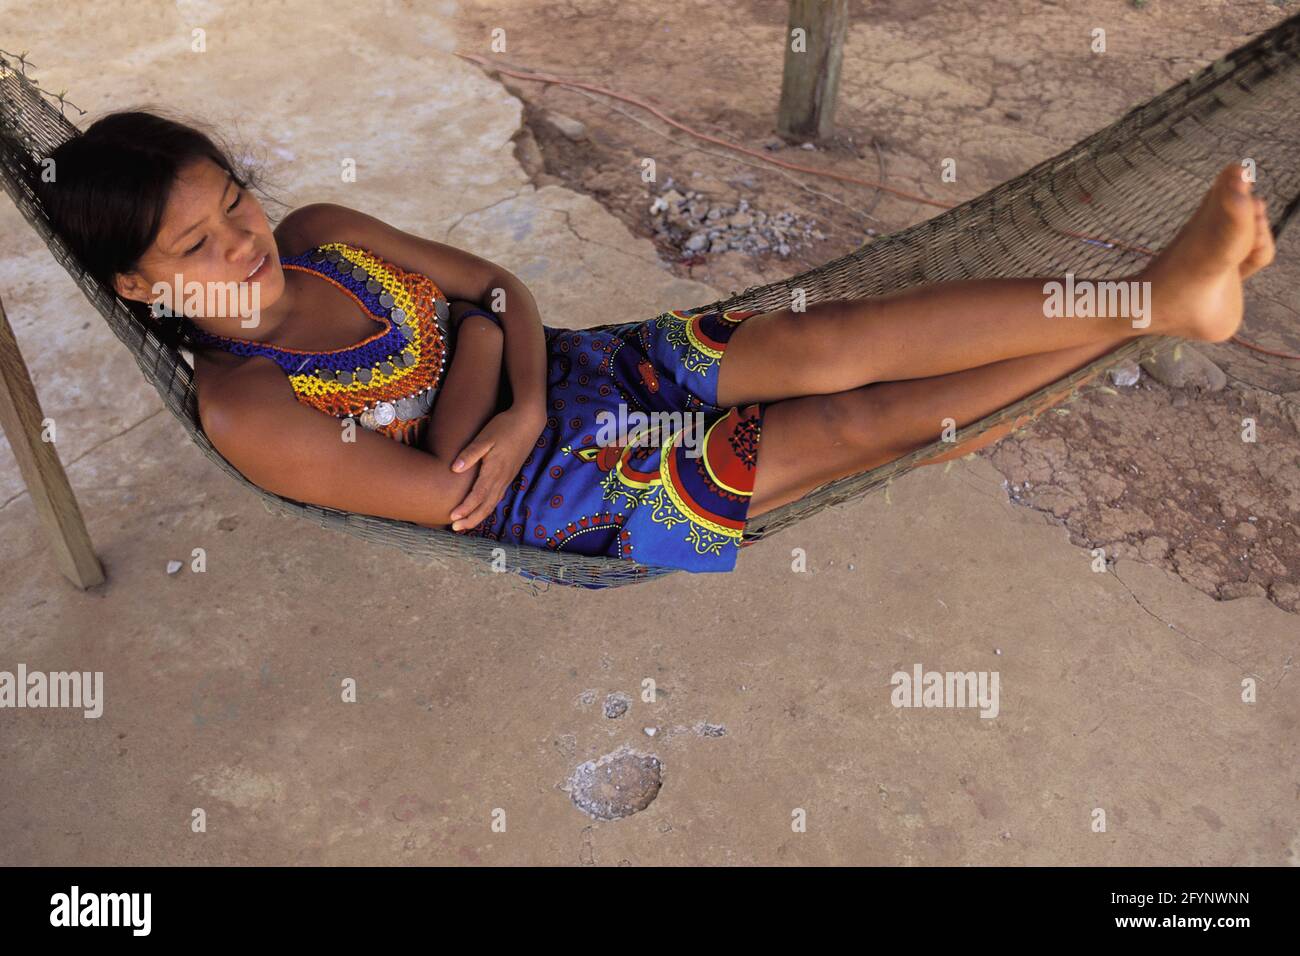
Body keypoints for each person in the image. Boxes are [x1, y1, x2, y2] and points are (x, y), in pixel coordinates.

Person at [35, 109, 1276, 578]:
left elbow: (503, 284)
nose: (242, 244)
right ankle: (1149, 312)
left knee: (834, 336)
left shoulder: (321, 231)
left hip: (571, 376)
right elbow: (446, 490)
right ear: (141, 286)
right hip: (564, 489)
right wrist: (496, 368)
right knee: (839, 426)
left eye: (232, 205)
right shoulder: (249, 406)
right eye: (194, 249)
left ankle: (1155, 297)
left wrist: (505, 368)